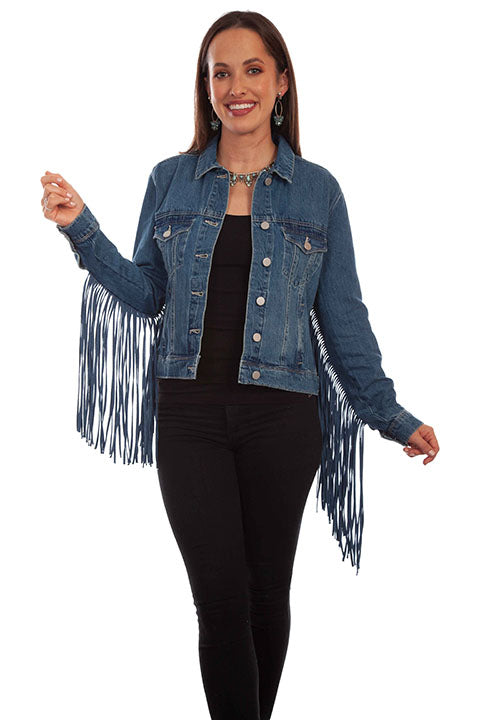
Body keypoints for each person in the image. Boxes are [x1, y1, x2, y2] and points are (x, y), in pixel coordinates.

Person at [40, 10, 439, 719]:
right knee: (220, 601)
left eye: (253, 70)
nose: (236, 87)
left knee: (264, 596)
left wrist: (389, 415)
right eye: (220, 73)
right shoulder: (170, 179)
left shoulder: (318, 191)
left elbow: (343, 319)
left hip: (283, 419)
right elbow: (148, 295)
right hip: (188, 417)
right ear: (207, 87)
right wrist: (82, 230)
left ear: (281, 82)